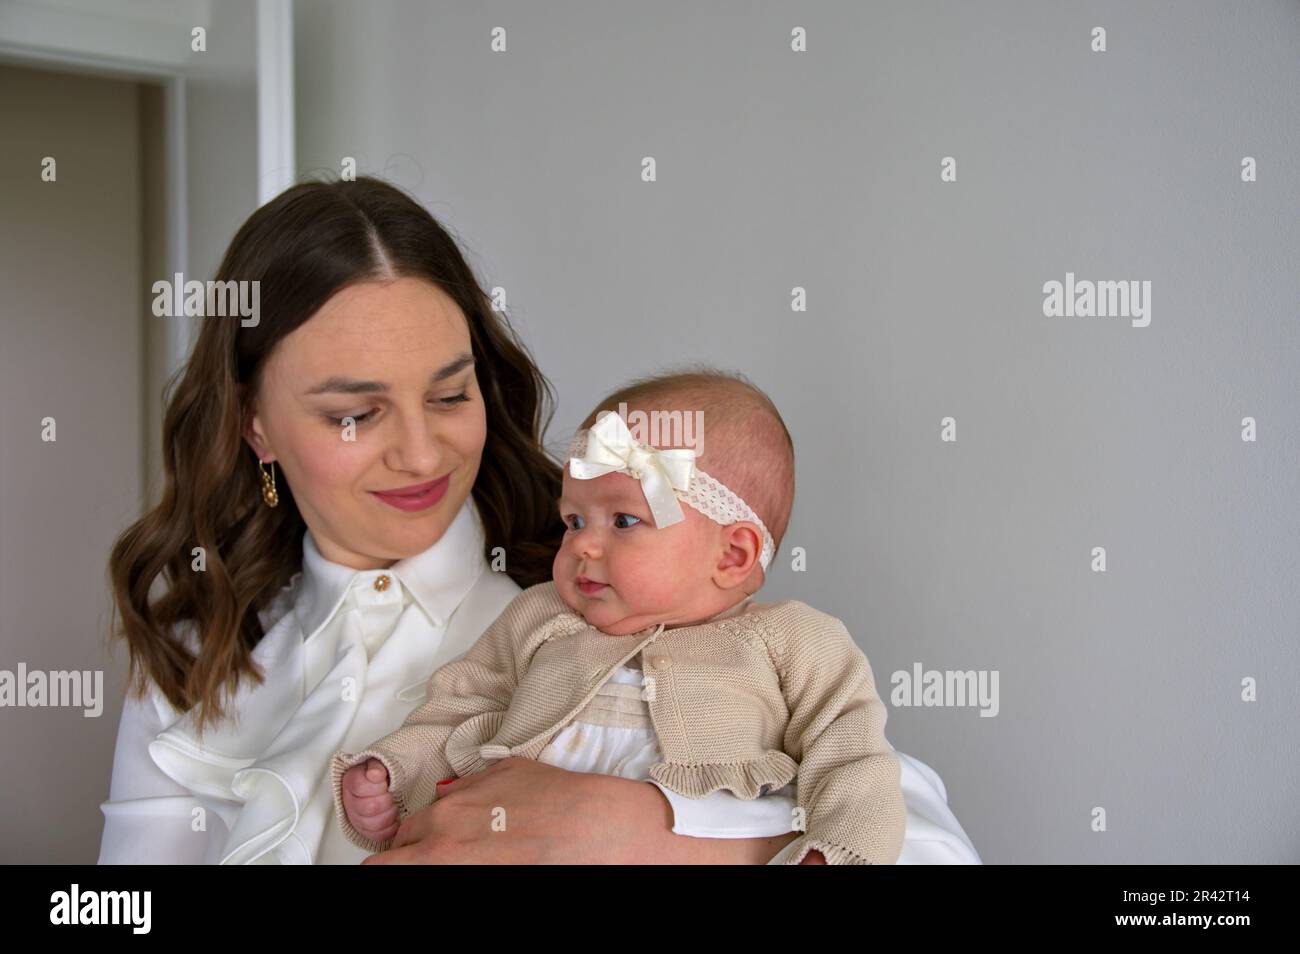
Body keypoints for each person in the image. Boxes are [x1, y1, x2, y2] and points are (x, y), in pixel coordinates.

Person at [97, 175, 980, 864]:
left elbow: (932, 847)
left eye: (450, 393)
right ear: (256, 424)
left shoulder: (598, 596)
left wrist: (661, 841)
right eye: (353, 415)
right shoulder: (194, 652)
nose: (420, 453)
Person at [336, 375, 909, 864]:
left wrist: (835, 849)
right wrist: (394, 770)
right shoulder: (541, 615)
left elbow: (854, 756)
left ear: (731, 555)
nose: (583, 546)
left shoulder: (790, 640)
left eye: (625, 522)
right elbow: (461, 702)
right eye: (574, 522)